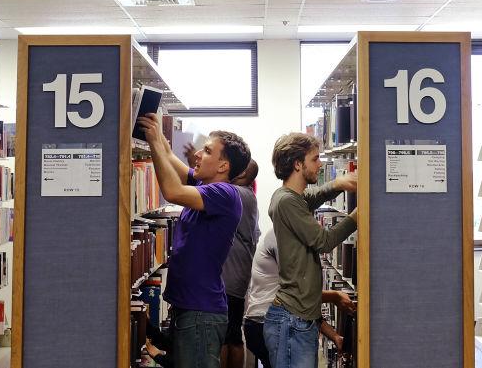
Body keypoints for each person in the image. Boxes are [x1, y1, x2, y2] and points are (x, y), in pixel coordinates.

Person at [138, 114, 251, 368]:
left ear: (223, 166)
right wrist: (158, 133)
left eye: (207, 151)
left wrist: (154, 142)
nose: (197, 154)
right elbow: (171, 160)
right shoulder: (204, 185)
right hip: (190, 308)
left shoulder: (224, 193)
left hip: (201, 313)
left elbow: (172, 191)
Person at [265, 132, 358, 368]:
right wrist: (358, 216)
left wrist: (338, 183)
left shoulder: (291, 197)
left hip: (299, 320)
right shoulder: (287, 201)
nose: (320, 164)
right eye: (315, 159)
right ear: (298, 164)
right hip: (292, 321)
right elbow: (324, 242)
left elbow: (313, 196)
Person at [243, 228, 356, 368]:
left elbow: (302, 304)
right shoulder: (280, 237)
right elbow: (300, 296)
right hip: (265, 323)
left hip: (265, 322)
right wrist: (334, 296)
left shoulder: (288, 236)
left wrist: (334, 336)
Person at [220, 160, 260, 368]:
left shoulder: (236, 193)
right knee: (232, 332)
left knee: (227, 336)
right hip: (237, 275)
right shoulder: (249, 195)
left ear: (242, 172)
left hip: (230, 279)